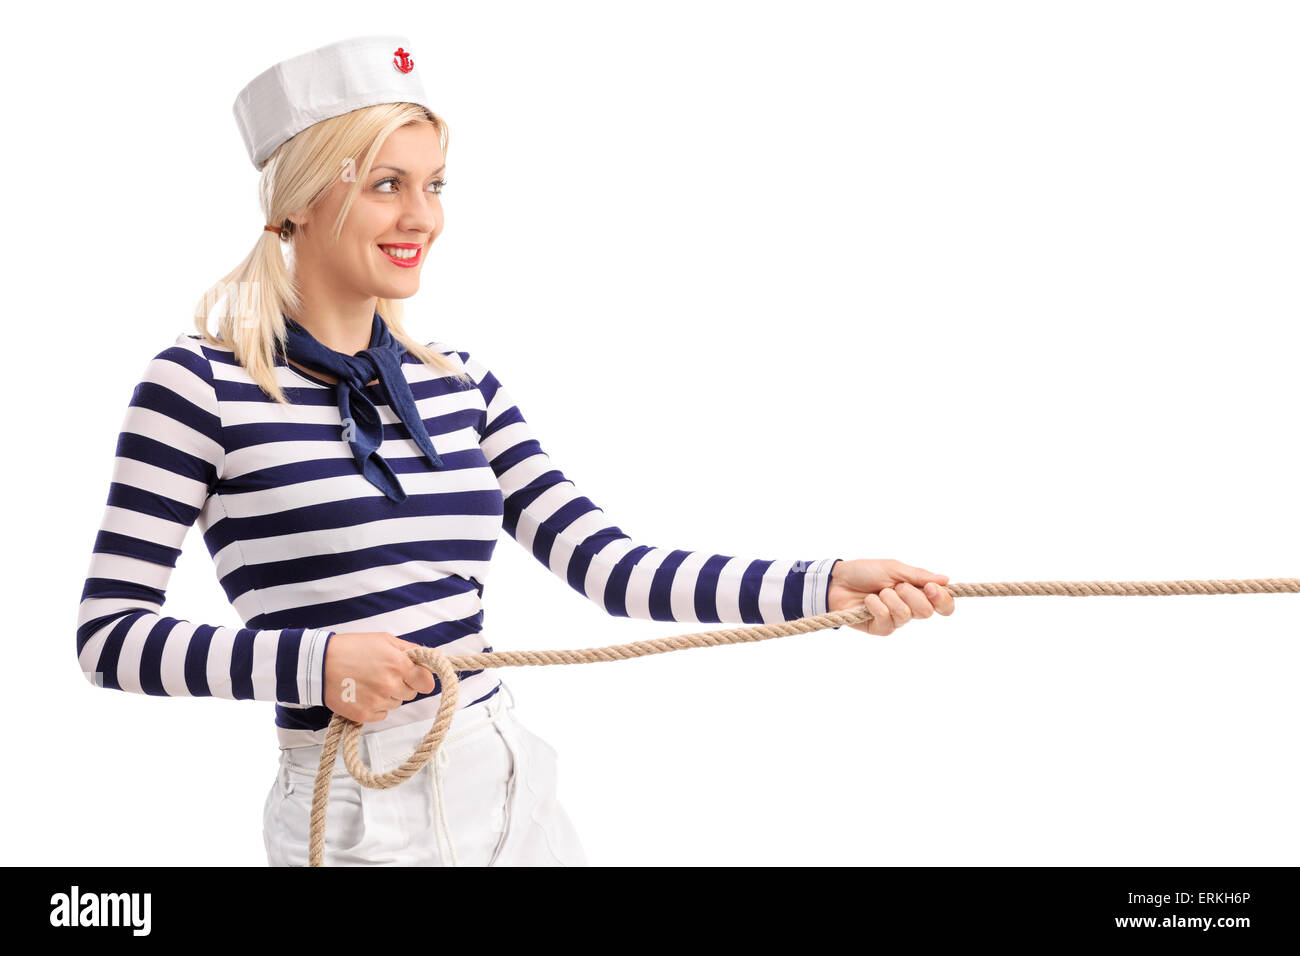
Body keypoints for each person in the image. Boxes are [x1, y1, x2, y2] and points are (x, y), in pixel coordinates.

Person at [75, 35, 955, 867]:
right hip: (356, 806)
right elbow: (108, 637)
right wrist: (318, 660)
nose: (423, 216)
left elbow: (610, 565)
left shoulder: (461, 384)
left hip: (505, 775)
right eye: (387, 183)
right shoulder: (196, 385)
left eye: (436, 184)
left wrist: (825, 584)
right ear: (302, 199)